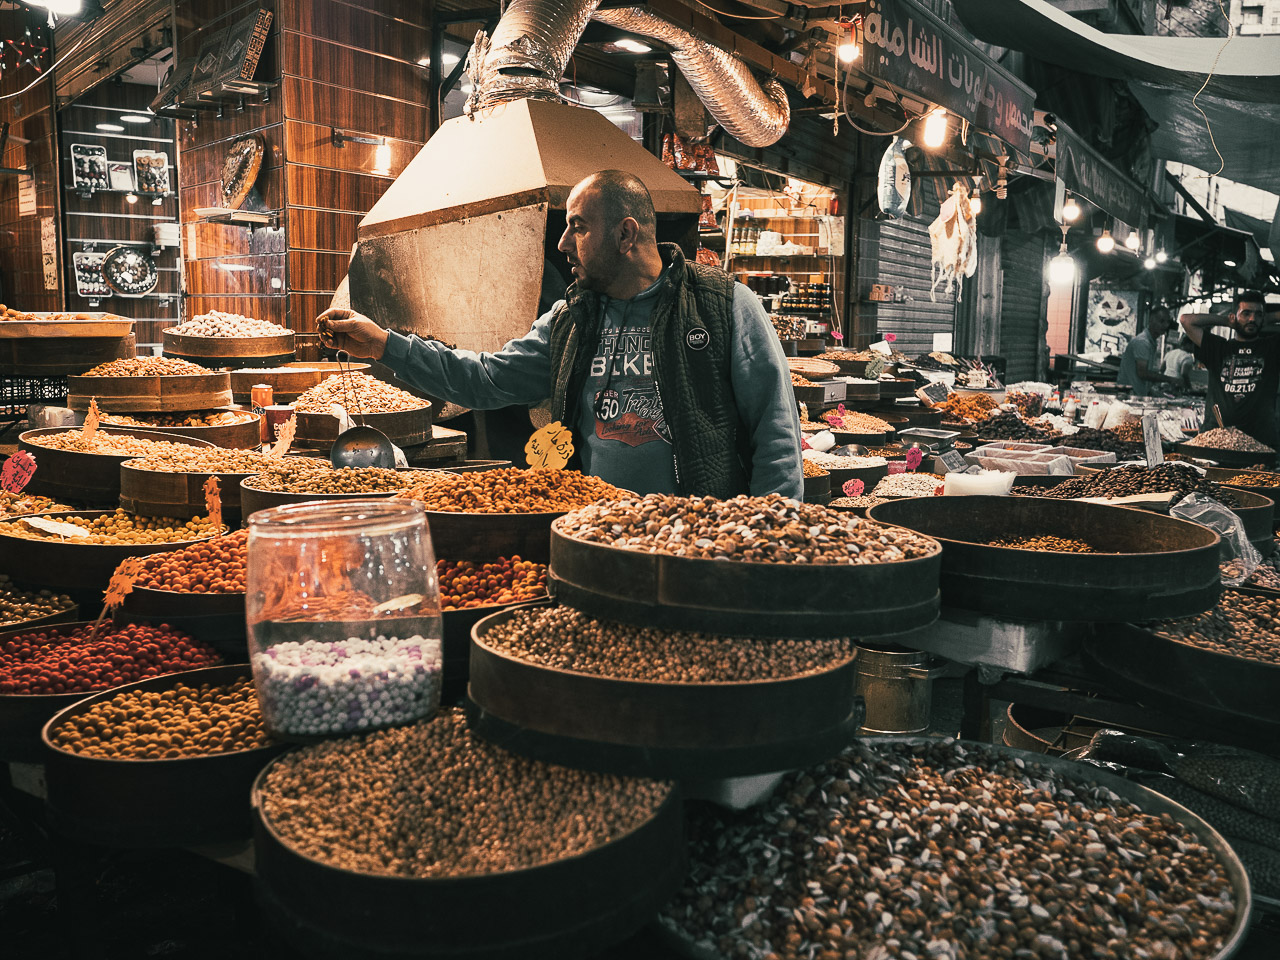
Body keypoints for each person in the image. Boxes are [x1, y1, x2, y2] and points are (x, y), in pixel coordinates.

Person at [317, 169, 803, 499]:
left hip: (700, 546)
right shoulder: (572, 318)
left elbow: (777, 436)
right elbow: (486, 380)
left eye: (578, 227)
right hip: (596, 535)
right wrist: (384, 344)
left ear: (625, 235)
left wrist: (764, 546)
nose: (563, 242)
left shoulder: (723, 306)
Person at [1180, 290, 1279, 447]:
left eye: (1258, 315)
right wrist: (1226, 320)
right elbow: (1186, 320)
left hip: (1260, 444)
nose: (1252, 319)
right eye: (1246, 313)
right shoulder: (1219, 348)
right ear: (1235, 315)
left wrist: (1270, 317)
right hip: (1217, 441)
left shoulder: (1272, 348)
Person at [1116, 309, 1177, 398]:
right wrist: (1170, 379)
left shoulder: (1151, 342)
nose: (1165, 325)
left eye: (1168, 322)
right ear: (1151, 320)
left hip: (1137, 394)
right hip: (1129, 394)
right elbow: (1143, 373)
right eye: (1162, 321)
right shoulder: (1143, 342)